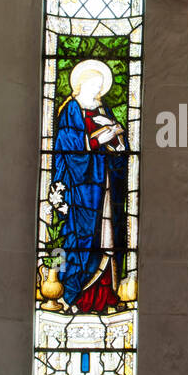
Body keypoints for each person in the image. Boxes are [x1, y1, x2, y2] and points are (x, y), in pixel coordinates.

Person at [52, 59, 128, 313]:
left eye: (99, 87)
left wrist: (116, 142)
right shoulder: (71, 110)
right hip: (81, 187)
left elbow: (118, 151)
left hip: (103, 185)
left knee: (106, 236)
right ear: (81, 84)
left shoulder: (103, 110)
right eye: (93, 85)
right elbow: (69, 148)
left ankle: (104, 295)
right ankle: (73, 293)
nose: (96, 91)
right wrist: (97, 142)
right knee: (80, 236)